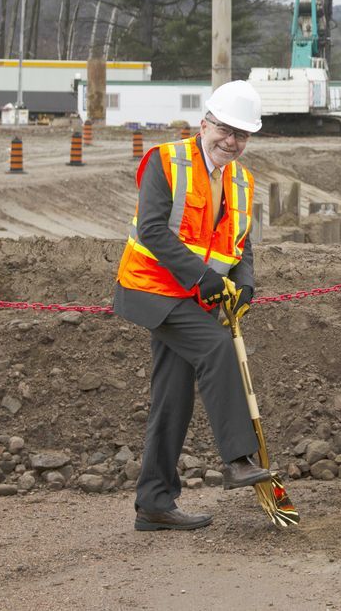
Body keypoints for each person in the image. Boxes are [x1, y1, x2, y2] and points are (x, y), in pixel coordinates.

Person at [114, 80, 271, 531]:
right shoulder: (166, 161)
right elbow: (152, 231)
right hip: (151, 289)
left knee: (173, 398)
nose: (232, 141)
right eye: (225, 130)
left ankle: (154, 503)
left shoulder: (242, 179)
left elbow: (241, 245)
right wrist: (205, 279)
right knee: (217, 349)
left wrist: (243, 285)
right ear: (205, 123)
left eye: (242, 134)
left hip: (193, 297)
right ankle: (239, 459)